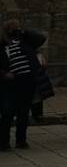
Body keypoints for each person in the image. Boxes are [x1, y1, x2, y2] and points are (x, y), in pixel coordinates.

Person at [1, 19, 47, 151]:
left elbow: (41, 38)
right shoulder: (3, 45)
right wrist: (4, 74)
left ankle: (21, 140)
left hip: (27, 80)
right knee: (7, 112)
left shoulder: (25, 42)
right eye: (11, 27)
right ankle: (4, 142)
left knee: (23, 112)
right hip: (10, 83)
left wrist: (23, 31)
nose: (14, 29)